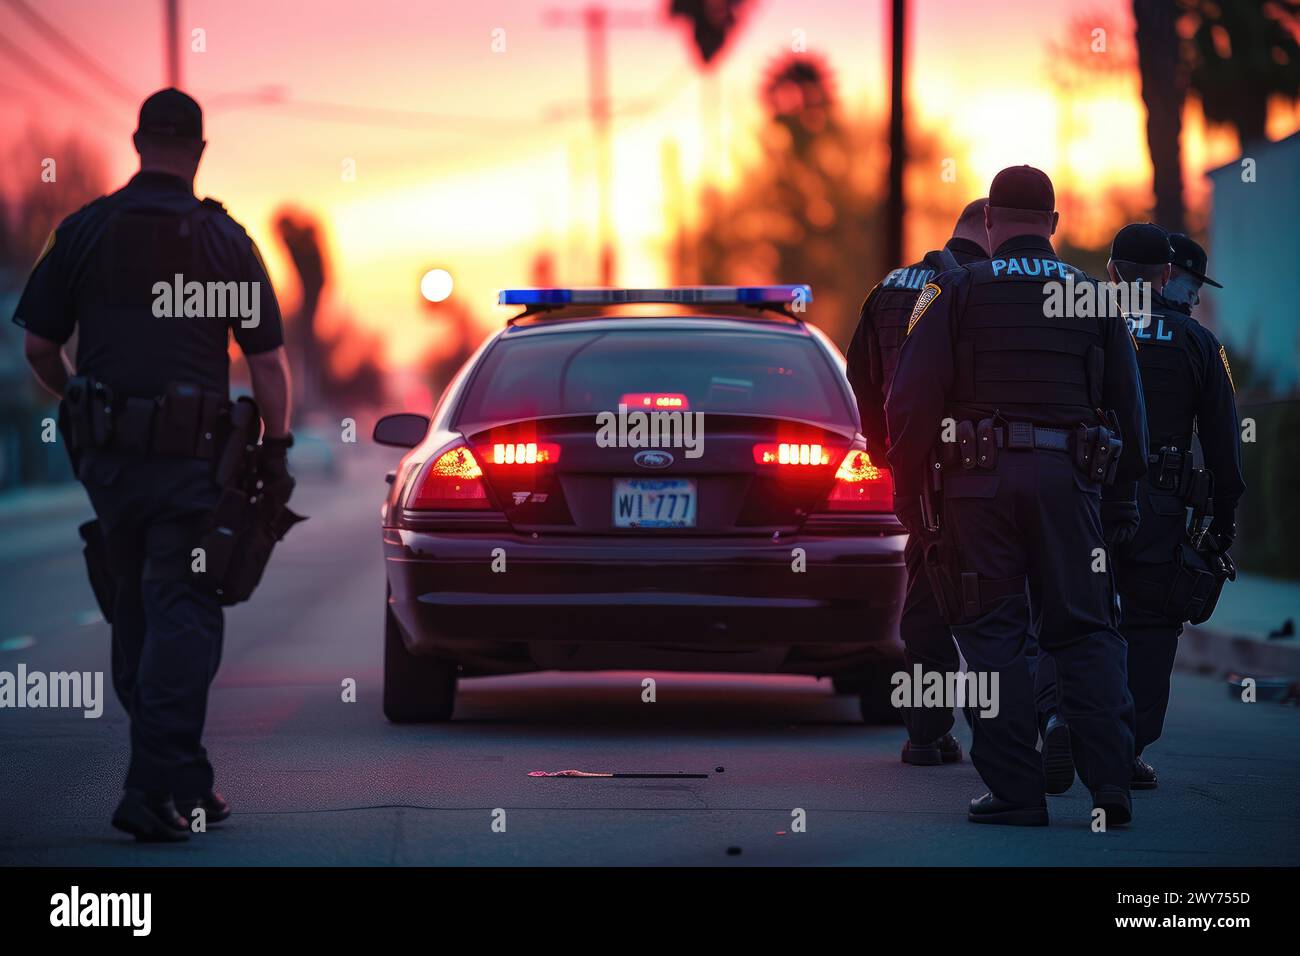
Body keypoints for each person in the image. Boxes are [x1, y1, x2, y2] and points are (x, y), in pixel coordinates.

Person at [13, 89, 293, 841]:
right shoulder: (224, 241)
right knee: (185, 609)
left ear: (137, 142)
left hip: (108, 466)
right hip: (189, 466)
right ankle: (147, 787)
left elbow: (38, 346)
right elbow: (267, 365)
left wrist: (82, 399)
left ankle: (187, 784)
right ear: (199, 152)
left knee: (139, 606)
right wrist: (276, 447)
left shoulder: (82, 232)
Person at [885, 165, 1149, 827]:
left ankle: (1016, 793)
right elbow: (1130, 411)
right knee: (1087, 629)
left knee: (993, 635)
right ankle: (1110, 786)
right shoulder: (1093, 298)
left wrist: (909, 494)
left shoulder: (953, 290)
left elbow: (910, 405)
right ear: (1054, 226)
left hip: (979, 489)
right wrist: (1121, 502)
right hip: (1073, 486)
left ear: (992, 221)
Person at [846, 198, 988, 765]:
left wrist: (888, 456)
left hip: (916, 481)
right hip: (979, 471)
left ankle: (925, 735)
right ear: (988, 229)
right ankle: (1005, 743)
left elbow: (859, 377)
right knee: (995, 606)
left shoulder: (889, 287)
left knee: (927, 607)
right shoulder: (981, 287)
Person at [1111, 227, 1243, 789]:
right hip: (1158, 508)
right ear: (1168, 273)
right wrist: (1223, 519)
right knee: (1150, 625)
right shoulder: (1196, 343)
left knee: (1071, 617)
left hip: (1081, 499)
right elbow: (1223, 443)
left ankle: (1061, 719)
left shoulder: (1082, 321)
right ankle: (1126, 747)